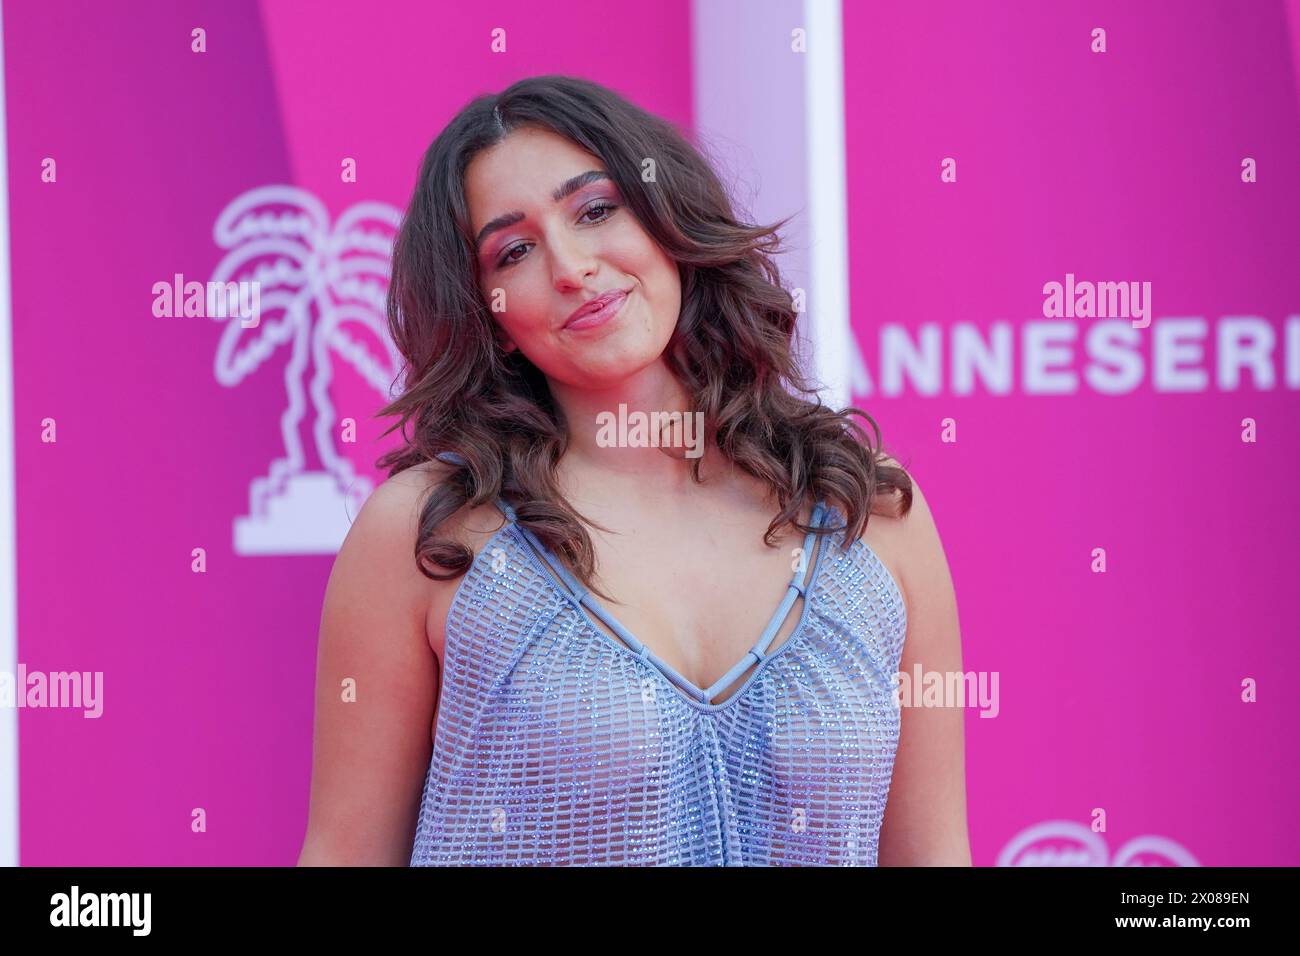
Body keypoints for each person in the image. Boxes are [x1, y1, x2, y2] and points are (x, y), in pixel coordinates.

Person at [297, 75, 969, 866]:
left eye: (596, 210)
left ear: (667, 219)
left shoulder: (864, 508)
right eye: (514, 250)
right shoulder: (433, 535)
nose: (572, 266)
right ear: (491, 314)